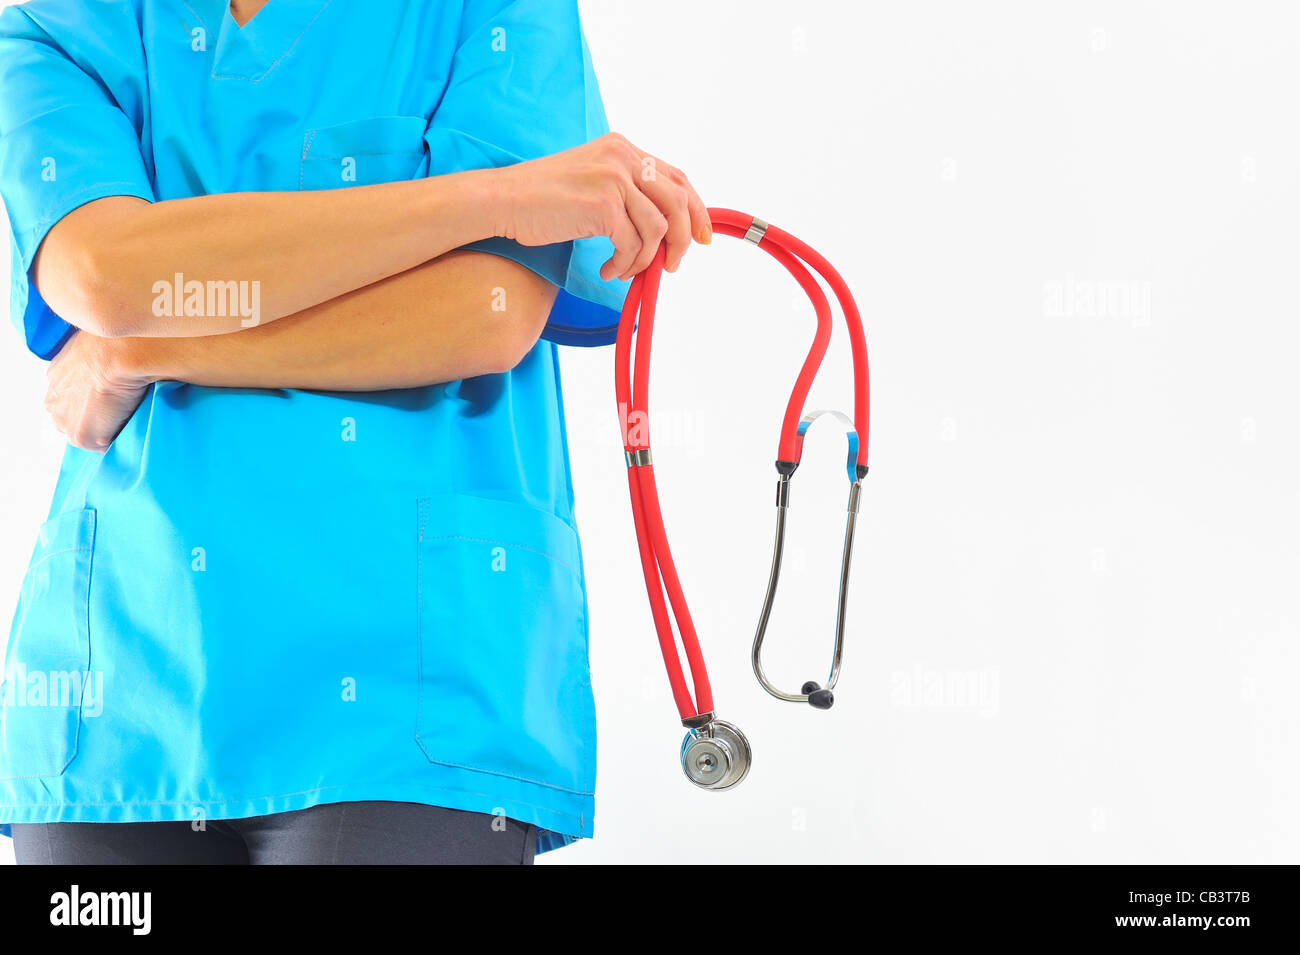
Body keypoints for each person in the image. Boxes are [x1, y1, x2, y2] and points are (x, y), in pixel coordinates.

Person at [0, 0, 709, 864]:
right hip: (120, 687)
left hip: (406, 689)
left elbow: (479, 311)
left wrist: (142, 346)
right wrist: (492, 196)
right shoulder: (63, 26)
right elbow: (108, 272)